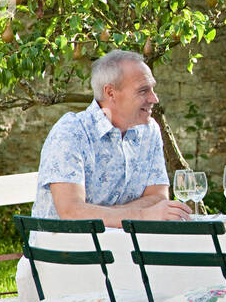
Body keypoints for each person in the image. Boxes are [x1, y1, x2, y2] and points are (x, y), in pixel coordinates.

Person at [31, 49, 193, 226]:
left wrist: (108, 214)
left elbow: (159, 197)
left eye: (152, 89)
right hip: (63, 249)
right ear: (110, 93)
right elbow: (72, 212)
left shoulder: (149, 130)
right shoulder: (71, 132)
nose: (154, 98)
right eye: (143, 90)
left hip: (123, 247)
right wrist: (142, 215)